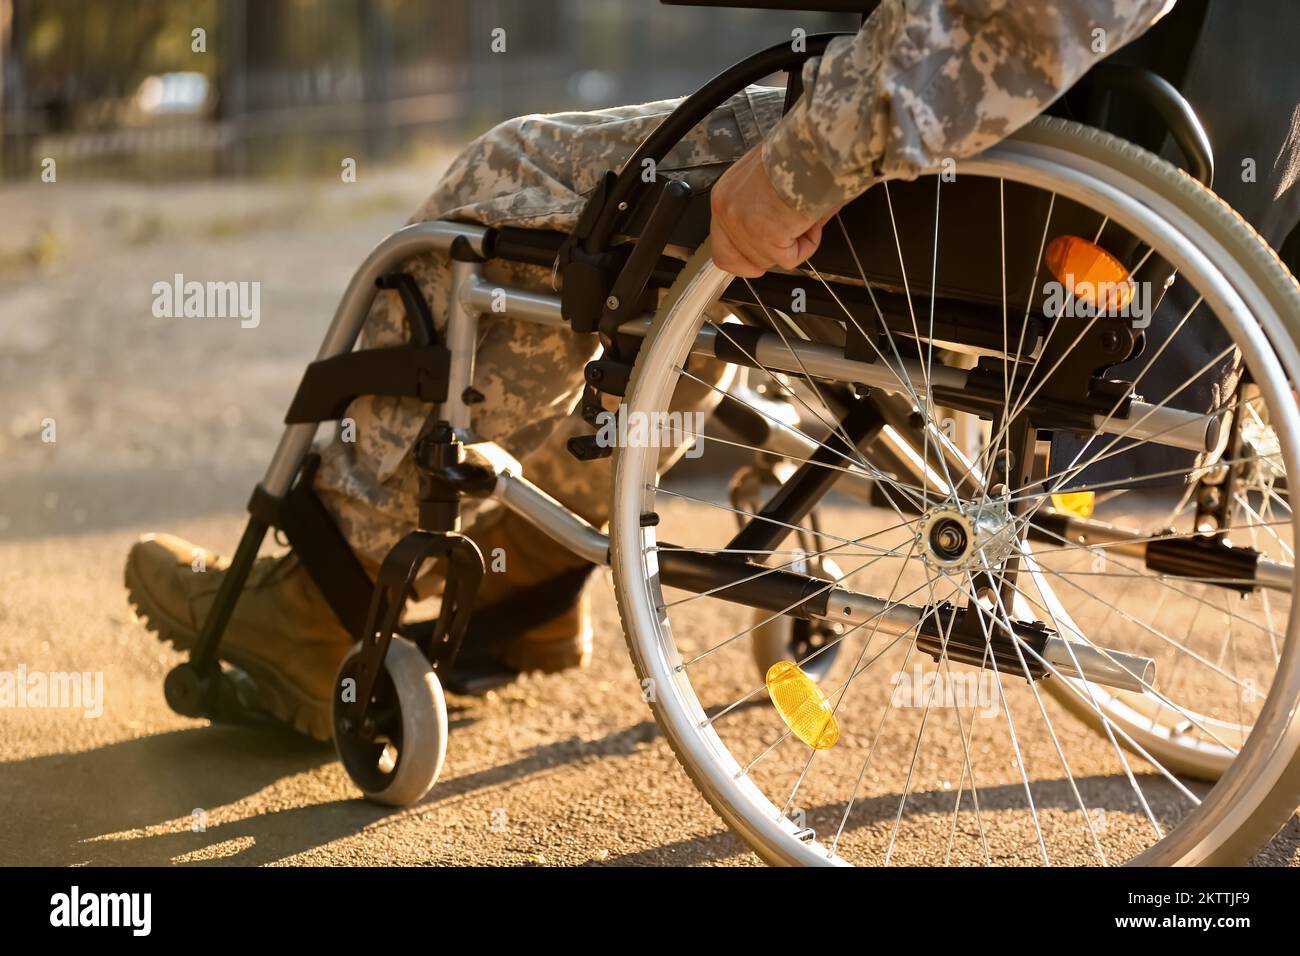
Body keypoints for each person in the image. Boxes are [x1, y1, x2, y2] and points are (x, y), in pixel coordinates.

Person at [125, 0, 1176, 741]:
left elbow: (991, 27)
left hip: (951, 165)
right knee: (662, 249)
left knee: (503, 180)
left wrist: (800, 164)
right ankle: (531, 571)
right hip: (1073, 189)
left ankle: (322, 584)